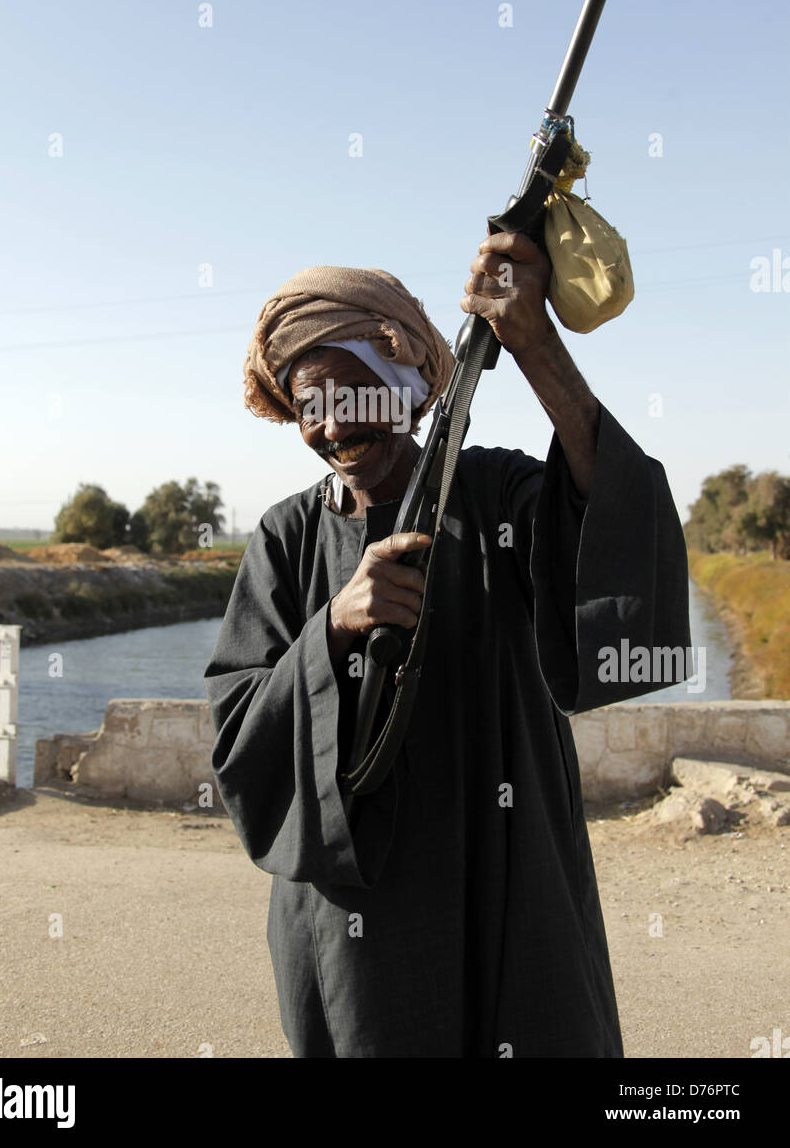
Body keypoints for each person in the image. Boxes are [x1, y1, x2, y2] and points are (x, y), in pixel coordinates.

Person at [204, 231, 690, 1059]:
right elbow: (239, 734)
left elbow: (617, 519)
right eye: (309, 406)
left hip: (512, 882)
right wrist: (333, 628)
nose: (332, 427)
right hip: (359, 926)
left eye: (353, 394)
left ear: (407, 387)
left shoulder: (496, 493)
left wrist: (534, 344)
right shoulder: (287, 539)